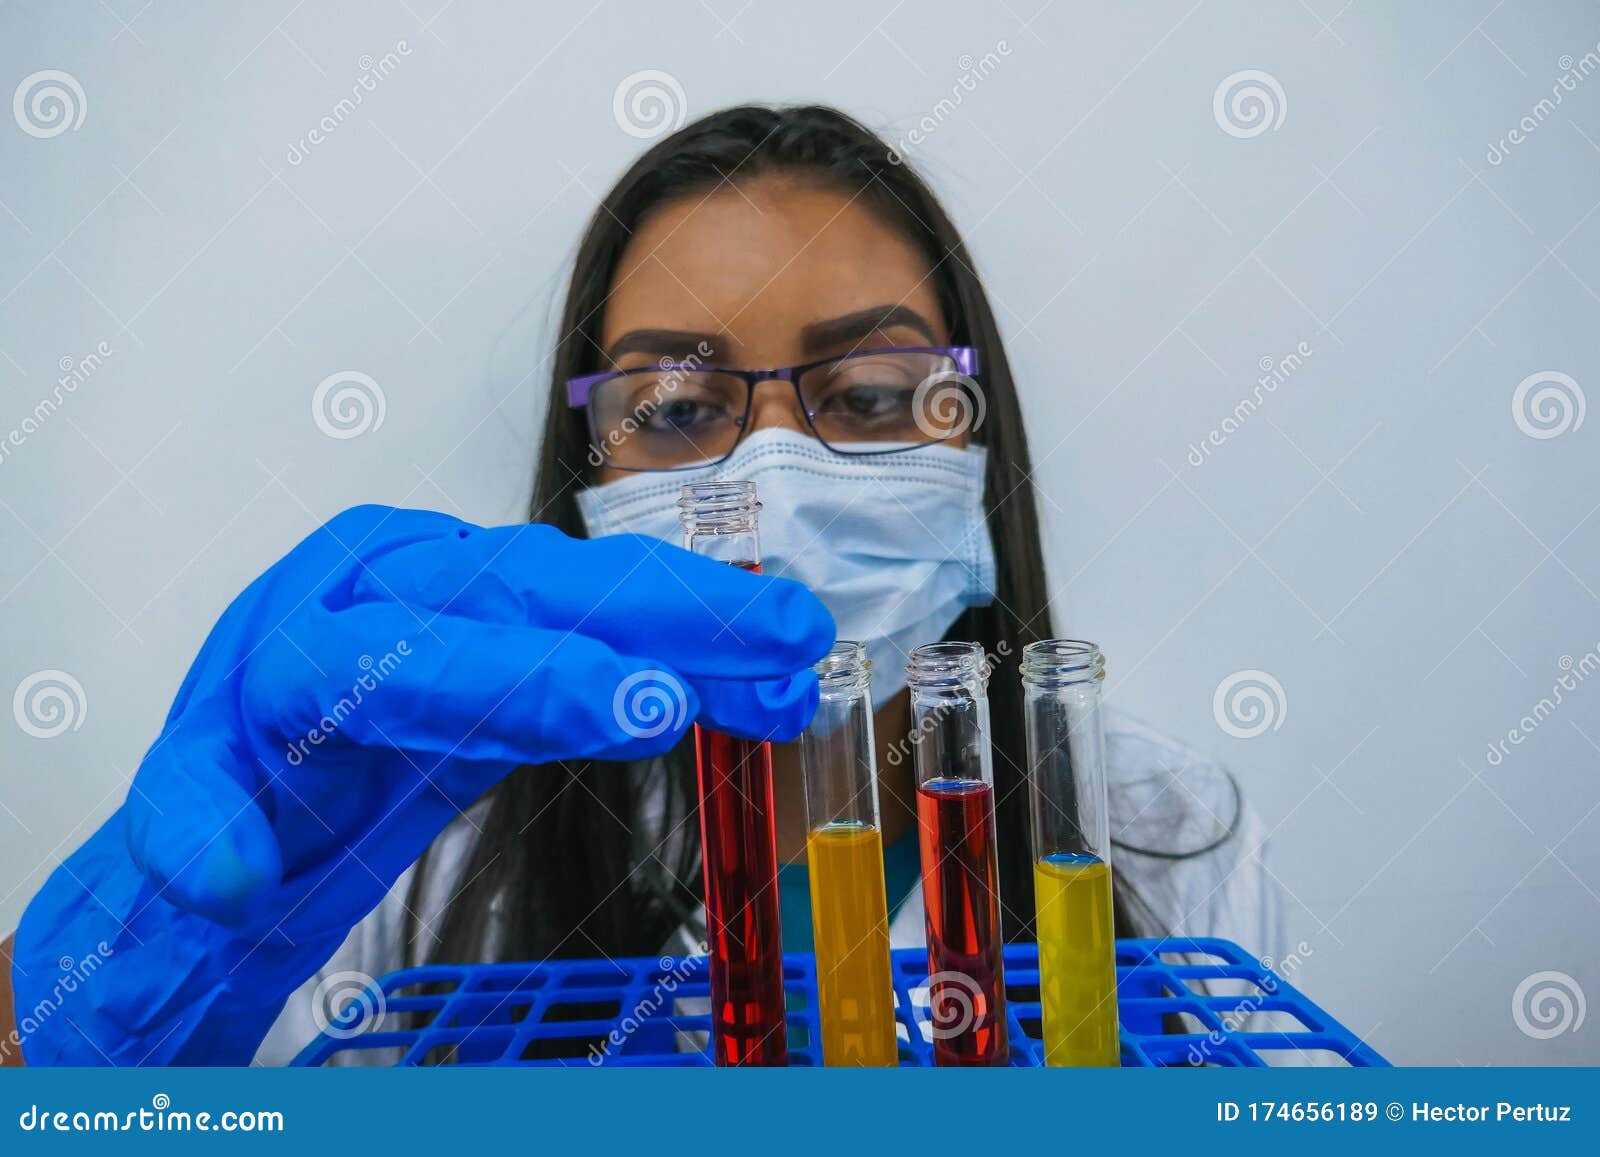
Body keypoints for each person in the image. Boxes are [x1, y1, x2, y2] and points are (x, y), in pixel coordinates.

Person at [2, 105, 1280, 1067]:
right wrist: (78, 1012)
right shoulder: (409, 836)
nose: (774, 469)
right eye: (675, 404)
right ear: (585, 474)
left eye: (876, 396)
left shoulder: (1162, 829)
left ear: (972, 428)